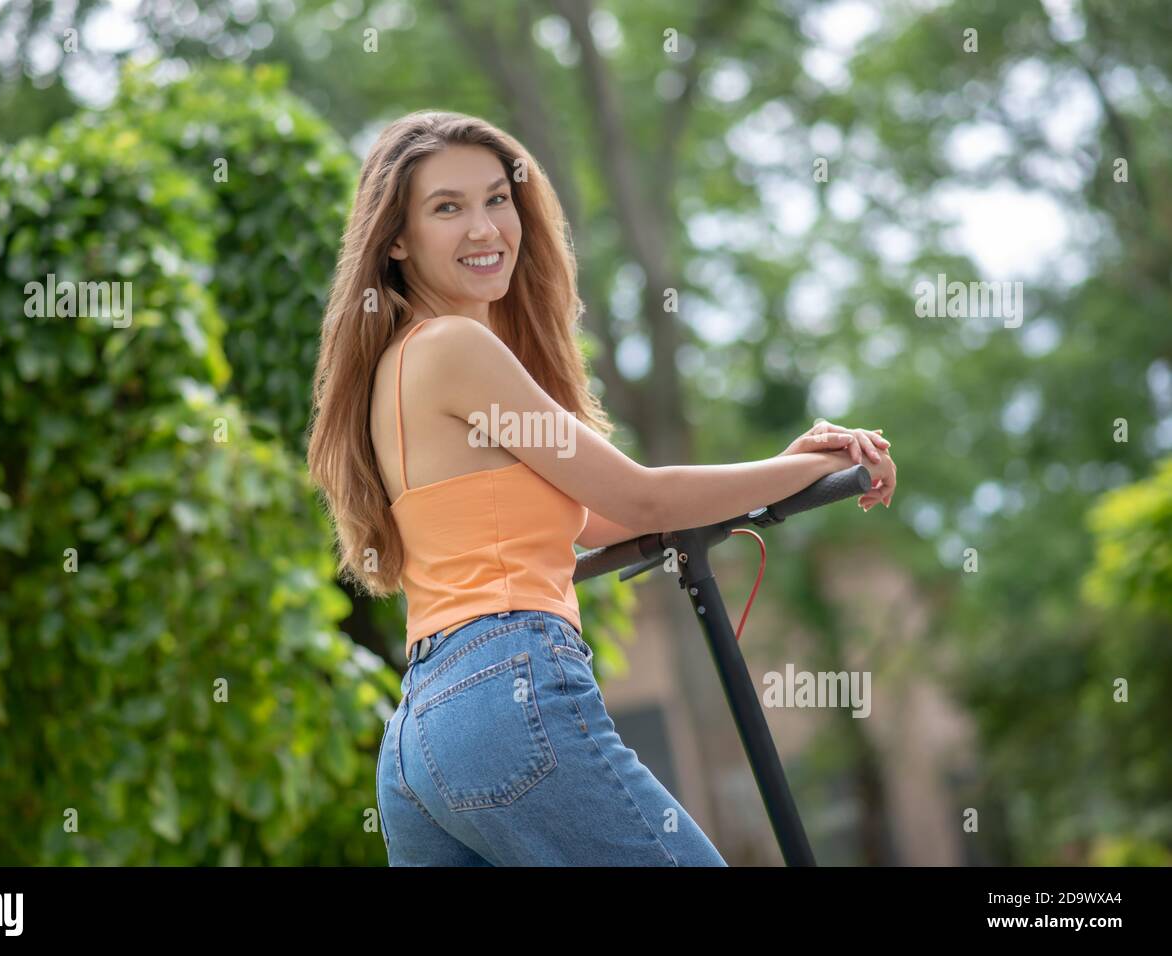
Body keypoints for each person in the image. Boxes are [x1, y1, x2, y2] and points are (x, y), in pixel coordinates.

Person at [305, 110, 897, 866]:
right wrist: (815, 466)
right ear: (396, 238)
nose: (485, 227)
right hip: (506, 693)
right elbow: (642, 498)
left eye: (497, 198)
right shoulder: (456, 347)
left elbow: (600, 521)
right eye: (447, 208)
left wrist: (775, 470)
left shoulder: (401, 361)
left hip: (421, 738)